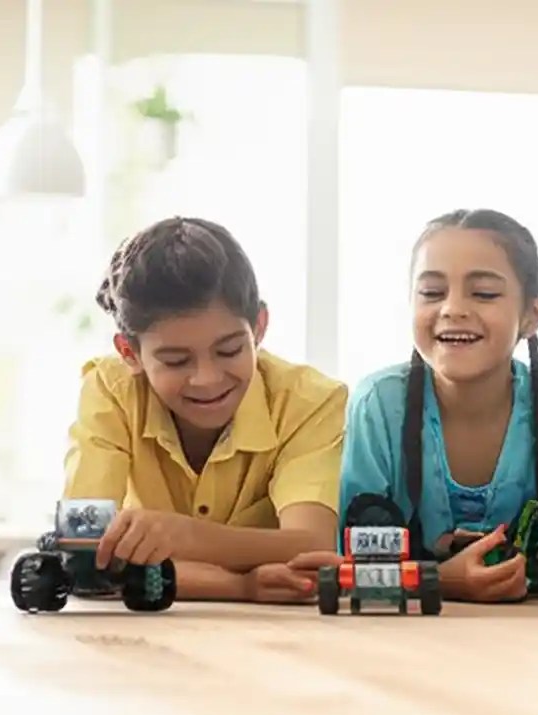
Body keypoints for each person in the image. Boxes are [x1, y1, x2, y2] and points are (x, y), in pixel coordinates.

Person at [65, 217, 347, 602]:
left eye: (229, 350)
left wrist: (182, 536)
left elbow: (312, 547)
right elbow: (85, 553)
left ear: (259, 327)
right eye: (176, 361)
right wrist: (238, 585)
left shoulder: (311, 402)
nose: (208, 379)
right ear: (130, 353)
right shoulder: (109, 390)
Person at [339, 209, 538, 603]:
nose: (453, 308)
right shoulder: (377, 404)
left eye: (484, 294)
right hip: (398, 632)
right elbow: (350, 566)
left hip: (537, 632)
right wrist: (440, 580)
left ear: (532, 314)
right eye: (432, 293)